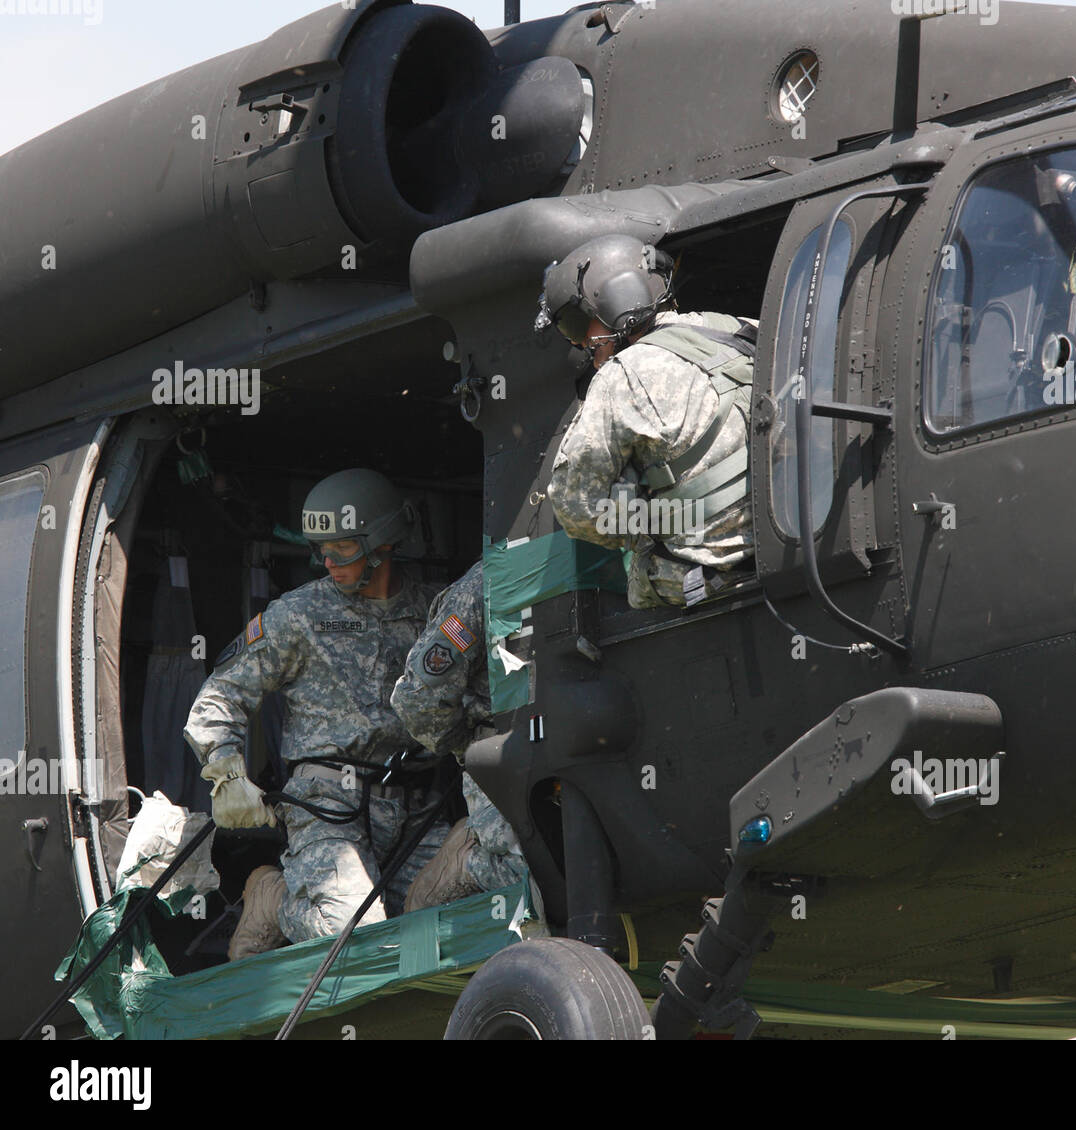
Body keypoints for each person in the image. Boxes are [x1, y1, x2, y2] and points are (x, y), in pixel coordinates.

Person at [183, 468, 447, 958]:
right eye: (318, 549)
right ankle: (274, 898)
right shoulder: (296, 615)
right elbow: (221, 695)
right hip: (328, 806)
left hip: (420, 804)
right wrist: (225, 773)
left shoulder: (437, 611)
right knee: (350, 937)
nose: (327, 561)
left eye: (342, 548)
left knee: (465, 909)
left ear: (383, 542)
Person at [538, 234, 758, 609]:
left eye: (579, 328)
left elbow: (577, 508)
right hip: (789, 546)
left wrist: (649, 509)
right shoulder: (745, 329)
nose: (581, 346)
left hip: (705, 580)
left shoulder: (620, 376)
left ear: (618, 302)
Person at [390, 561, 526, 907]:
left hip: (589, 747)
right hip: (506, 758)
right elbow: (418, 698)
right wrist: (468, 746)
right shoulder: (489, 583)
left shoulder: (617, 561)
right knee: (526, 877)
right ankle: (466, 860)